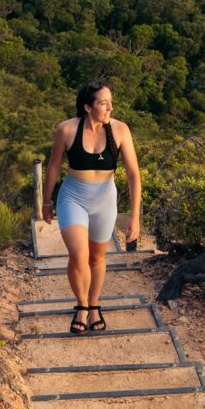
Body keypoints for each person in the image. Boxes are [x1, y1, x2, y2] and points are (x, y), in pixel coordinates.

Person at [42, 80, 141, 334]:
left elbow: (133, 174)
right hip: (73, 197)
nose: (110, 107)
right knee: (78, 255)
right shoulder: (67, 129)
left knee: (97, 257)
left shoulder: (120, 130)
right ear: (88, 107)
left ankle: (95, 304)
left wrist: (135, 218)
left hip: (104, 199)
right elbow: (53, 166)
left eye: (111, 102)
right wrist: (46, 201)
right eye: (103, 103)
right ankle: (82, 306)